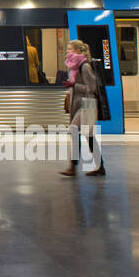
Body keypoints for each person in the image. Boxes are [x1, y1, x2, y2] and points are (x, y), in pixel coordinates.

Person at [59, 39, 105, 177]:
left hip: (87, 105)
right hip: (78, 105)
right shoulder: (74, 66)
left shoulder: (84, 66)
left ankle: (73, 166)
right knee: (87, 136)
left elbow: (92, 88)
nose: (67, 52)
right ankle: (99, 167)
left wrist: (74, 86)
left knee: (75, 130)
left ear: (78, 51)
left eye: (70, 49)